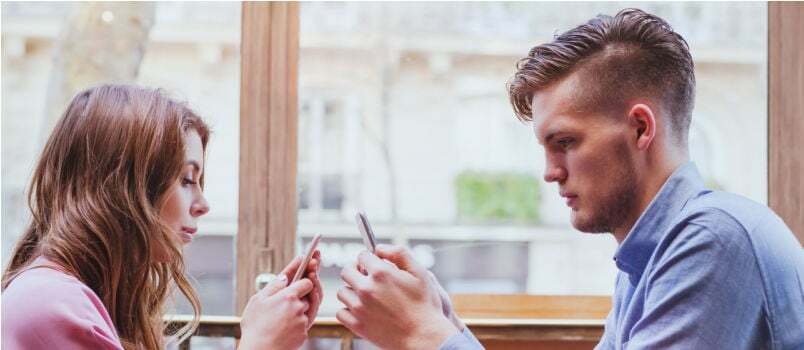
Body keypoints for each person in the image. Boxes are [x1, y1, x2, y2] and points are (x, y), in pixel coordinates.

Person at [336, 8, 804, 350]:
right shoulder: (648, 259)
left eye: (565, 143)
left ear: (640, 128)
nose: (549, 172)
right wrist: (443, 323)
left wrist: (423, 335)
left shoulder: (712, 240)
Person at [1, 85, 323, 350]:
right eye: (186, 179)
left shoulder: (60, 297)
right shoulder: (51, 306)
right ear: (123, 187)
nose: (202, 204)